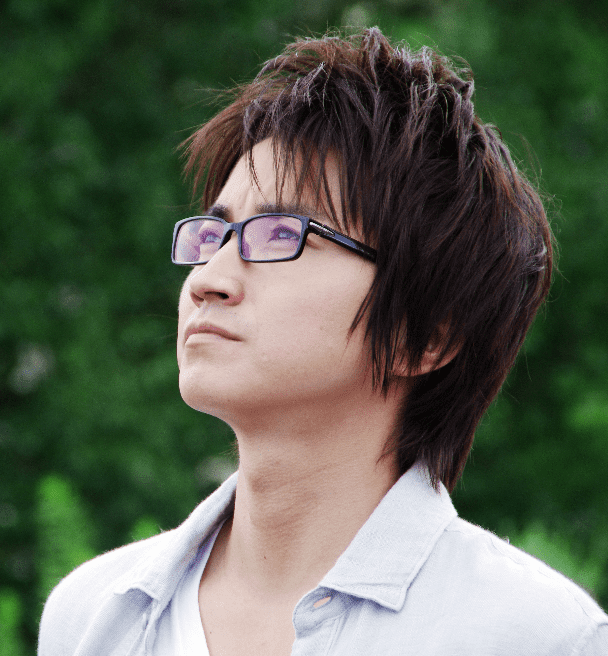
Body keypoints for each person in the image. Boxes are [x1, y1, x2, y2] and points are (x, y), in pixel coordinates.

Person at [37, 27, 608, 655]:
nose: (207, 280)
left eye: (282, 234)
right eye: (212, 234)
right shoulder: (94, 614)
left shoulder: (534, 635)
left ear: (425, 337)